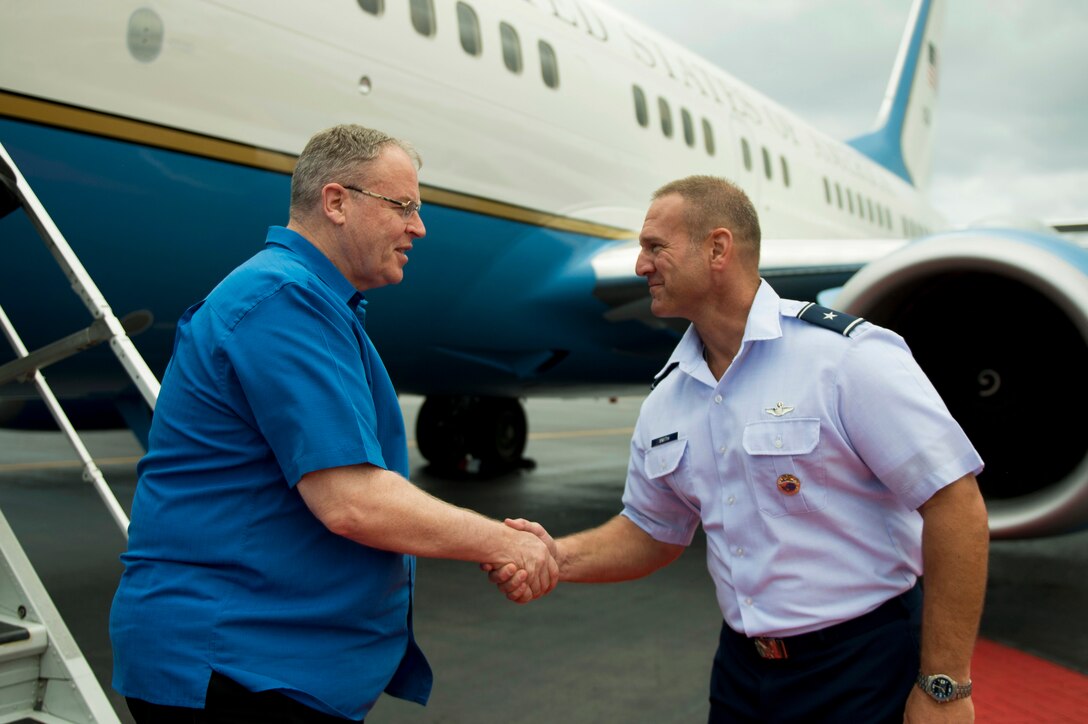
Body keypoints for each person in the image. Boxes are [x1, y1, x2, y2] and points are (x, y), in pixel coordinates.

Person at [492, 175, 989, 723]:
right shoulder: (669, 398)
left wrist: (945, 685)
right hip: (743, 674)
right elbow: (651, 532)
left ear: (718, 249)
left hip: (862, 666)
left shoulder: (845, 360)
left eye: (656, 246)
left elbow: (954, 505)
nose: (640, 265)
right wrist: (552, 558)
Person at [109, 124, 557, 723]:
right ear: (337, 201)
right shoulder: (282, 300)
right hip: (235, 668)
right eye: (404, 206)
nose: (418, 227)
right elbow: (352, 501)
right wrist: (503, 541)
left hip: (264, 662)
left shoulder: (301, 299)